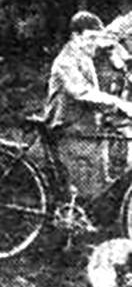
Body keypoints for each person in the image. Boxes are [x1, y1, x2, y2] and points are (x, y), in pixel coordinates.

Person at [43, 11, 132, 201]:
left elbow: (113, 33)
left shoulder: (83, 52)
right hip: (67, 130)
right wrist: (120, 104)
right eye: (90, 37)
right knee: (92, 193)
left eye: (96, 38)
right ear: (75, 36)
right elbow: (82, 92)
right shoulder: (65, 61)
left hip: (86, 127)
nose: (94, 43)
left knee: (104, 184)